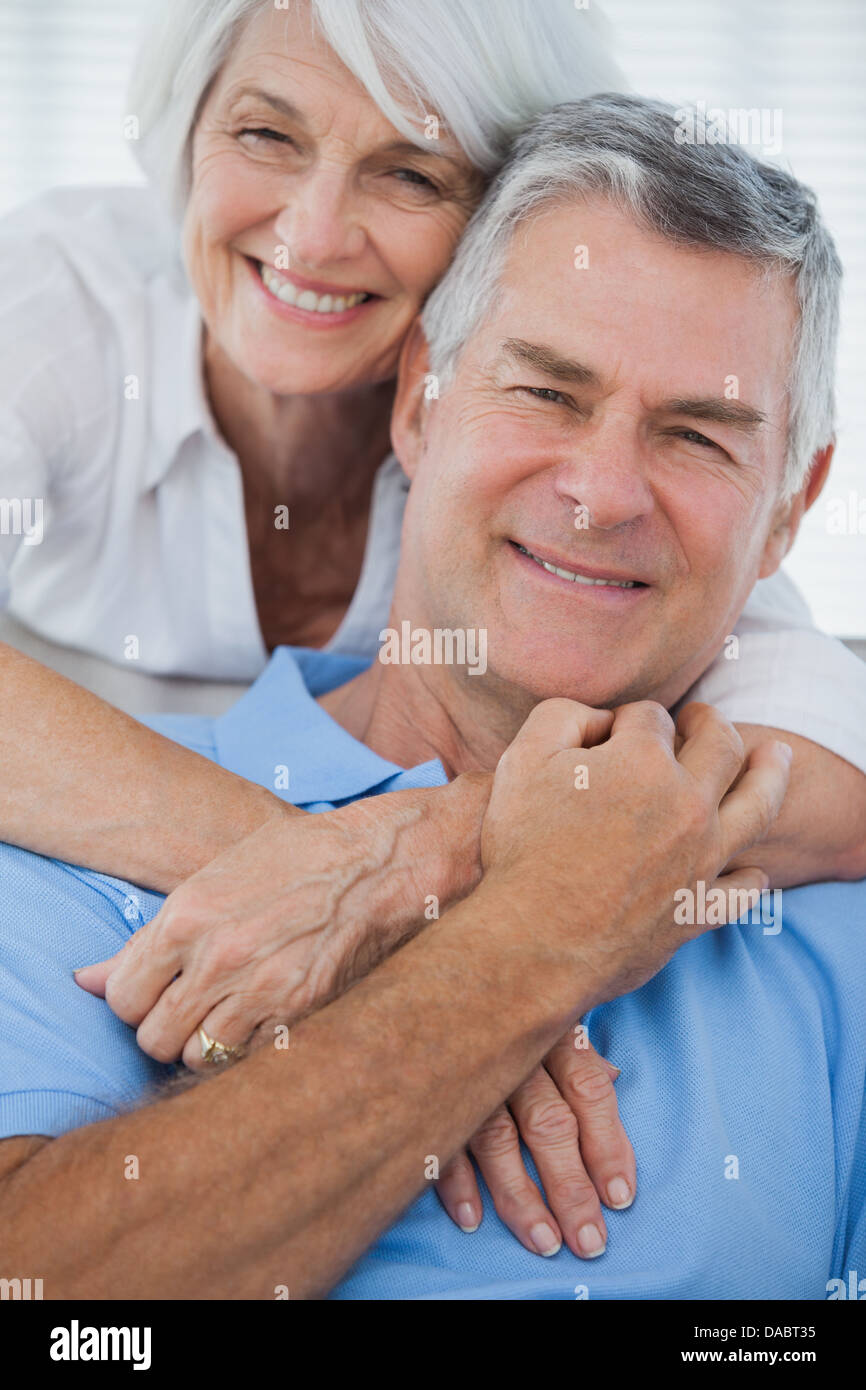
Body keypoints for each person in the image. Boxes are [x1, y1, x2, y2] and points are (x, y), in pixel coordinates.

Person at [1, 95, 864, 1300]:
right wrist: (524, 943)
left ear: (787, 508)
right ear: (417, 400)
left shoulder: (826, 921)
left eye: (697, 436)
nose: (601, 491)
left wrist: (480, 861)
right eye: (546, 392)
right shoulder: (62, 851)